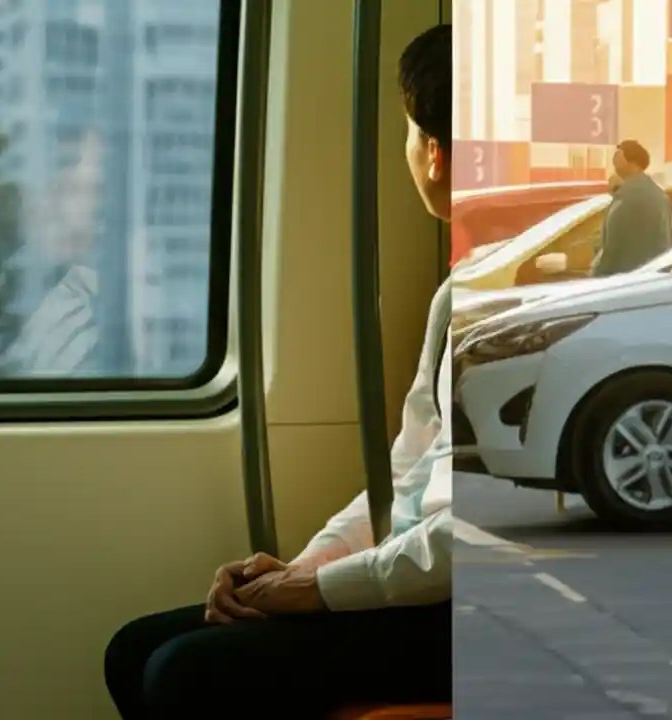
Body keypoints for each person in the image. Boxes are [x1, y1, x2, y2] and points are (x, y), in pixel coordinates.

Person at [102, 24, 453, 719]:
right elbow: (410, 471)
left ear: (434, 154)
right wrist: (308, 567)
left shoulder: (530, 306)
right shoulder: (460, 291)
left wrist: (321, 593)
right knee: (134, 649)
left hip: (472, 608)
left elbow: (476, 539)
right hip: (413, 583)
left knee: (185, 674)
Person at [591, 139, 672, 276]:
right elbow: (670, 239)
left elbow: (610, 249)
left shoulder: (626, 199)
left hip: (625, 280)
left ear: (631, 161)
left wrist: (596, 275)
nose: (614, 161)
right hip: (656, 277)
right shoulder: (659, 196)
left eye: (618, 156)